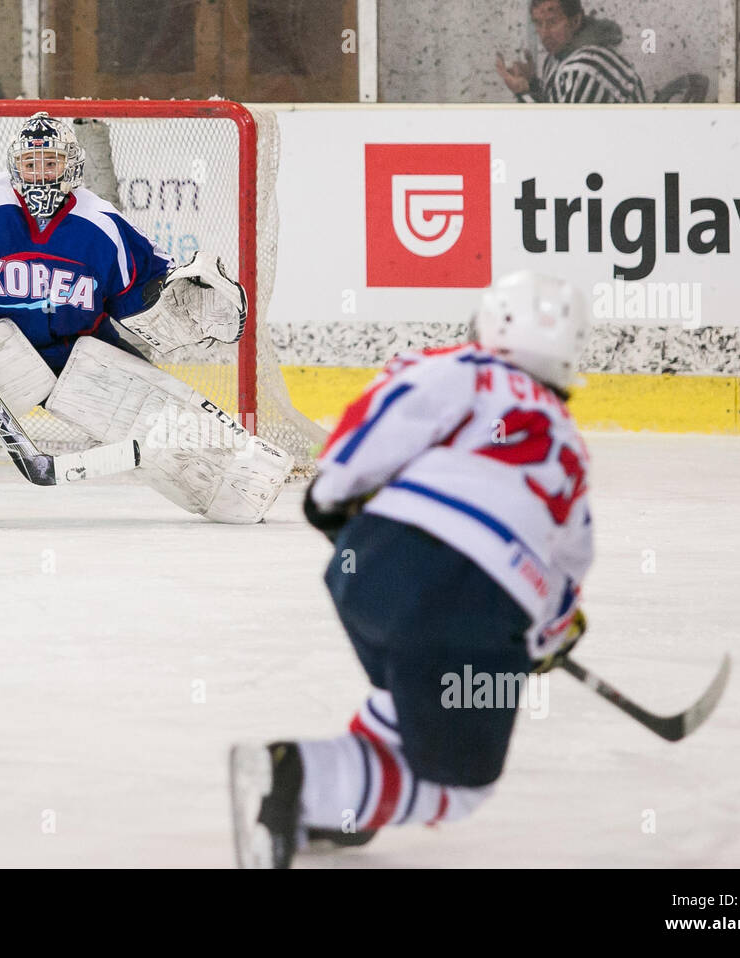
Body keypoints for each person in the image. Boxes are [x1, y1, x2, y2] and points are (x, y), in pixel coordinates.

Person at [229, 271, 594, 868]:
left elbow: (388, 415)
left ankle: (346, 804)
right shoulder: (571, 445)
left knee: (411, 687)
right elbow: (569, 558)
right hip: (483, 603)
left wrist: (333, 492)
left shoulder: (462, 369)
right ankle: (299, 778)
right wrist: (550, 635)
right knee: (462, 783)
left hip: (375, 570)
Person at [0, 112, 292, 528]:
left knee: (159, 417)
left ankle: (242, 480)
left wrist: (183, 301)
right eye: (30, 163)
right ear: (13, 166)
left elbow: (144, 301)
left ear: (73, 166)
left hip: (78, 347)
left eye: (51, 163)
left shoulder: (104, 226)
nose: (40, 175)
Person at [495, 0, 646, 104]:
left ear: (575, 21)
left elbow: (559, 135)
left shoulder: (585, 67)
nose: (544, 33)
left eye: (552, 22)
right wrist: (531, 84)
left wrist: (523, 92)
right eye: (538, 23)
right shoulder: (556, 57)